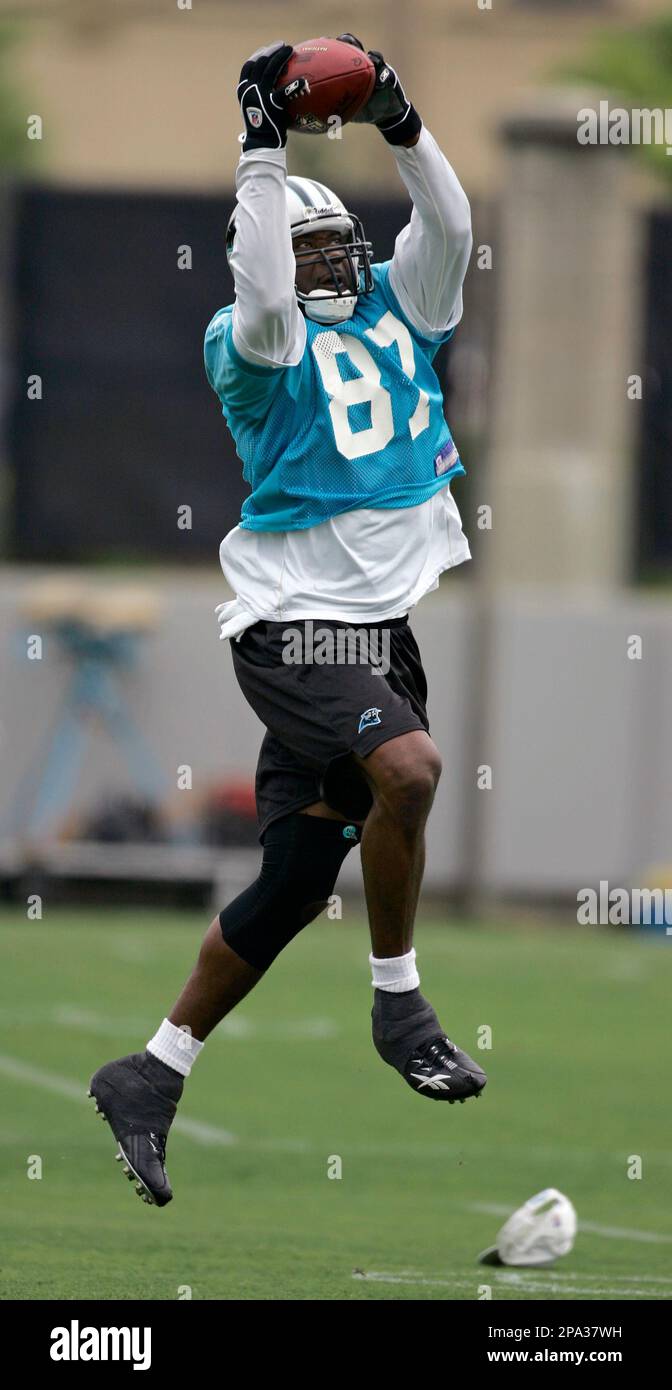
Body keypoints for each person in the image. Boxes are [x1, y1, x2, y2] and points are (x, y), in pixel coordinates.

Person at [88, 36, 486, 1208]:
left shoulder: (404, 312)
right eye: (306, 246)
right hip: (295, 626)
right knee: (410, 770)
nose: (330, 263)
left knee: (298, 879)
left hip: (381, 625)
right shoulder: (250, 345)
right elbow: (261, 292)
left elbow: (452, 227)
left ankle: (149, 1071)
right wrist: (260, 142)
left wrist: (401, 120)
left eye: (337, 243)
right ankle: (400, 1000)